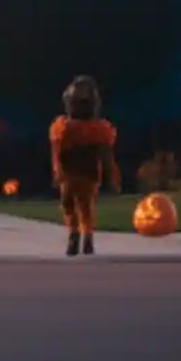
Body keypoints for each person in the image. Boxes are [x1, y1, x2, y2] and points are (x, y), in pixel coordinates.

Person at [49, 75, 118, 256]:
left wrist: (112, 177)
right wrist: (56, 172)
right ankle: (78, 234)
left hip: (83, 172)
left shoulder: (92, 128)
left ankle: (83, 235)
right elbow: (57, 152)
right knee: (74, 204)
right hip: (74, 172)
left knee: (80, 204)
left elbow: (106, 156)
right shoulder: (65, 127)